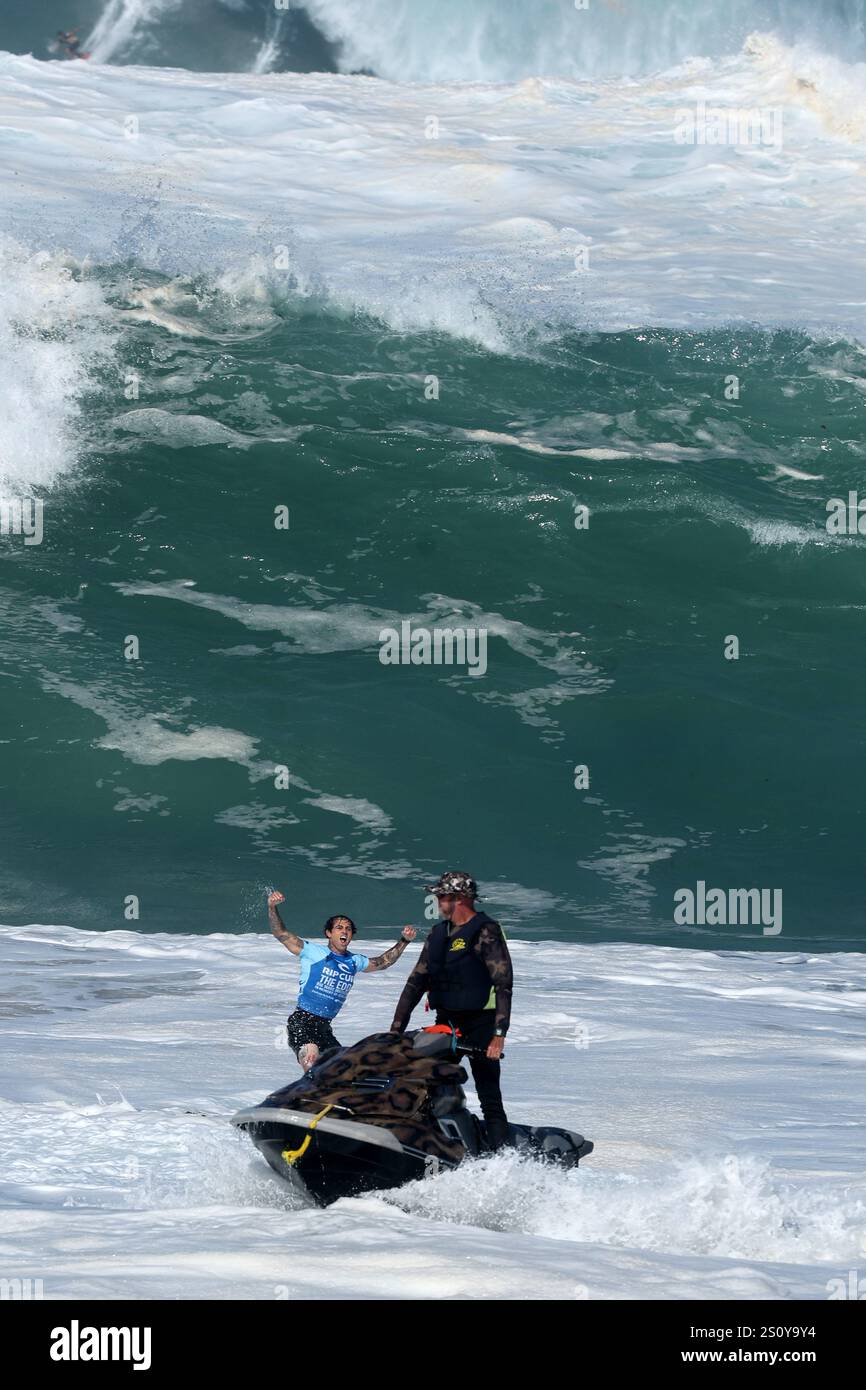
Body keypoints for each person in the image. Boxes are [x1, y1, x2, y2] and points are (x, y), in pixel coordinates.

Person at [389, 870, 513, 1149]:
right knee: (424, 1087)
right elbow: (415, 984)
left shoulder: (485, 931)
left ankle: (500, 1159)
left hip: (481, 1025)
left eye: (441, 896)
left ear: (459, 899)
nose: (437, 901)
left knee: (489, 1094)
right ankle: (424, 1149)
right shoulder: (436, 934)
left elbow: (503, 983)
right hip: (445, 1024)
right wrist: (395, 1032)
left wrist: (499, 1033)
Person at [268, 890, 416, 1071]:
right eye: (339, 928)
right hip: (302, 1023)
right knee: (312, 1061)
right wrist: (272, 907)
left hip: (324, 1029)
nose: (344, 931)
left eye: (348, 929)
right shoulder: (312, 952)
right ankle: (311, 1095)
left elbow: (383, 962)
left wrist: (404, 941)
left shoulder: (355, 961)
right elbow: (280, 933)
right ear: (328, 933)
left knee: (345, 1071)